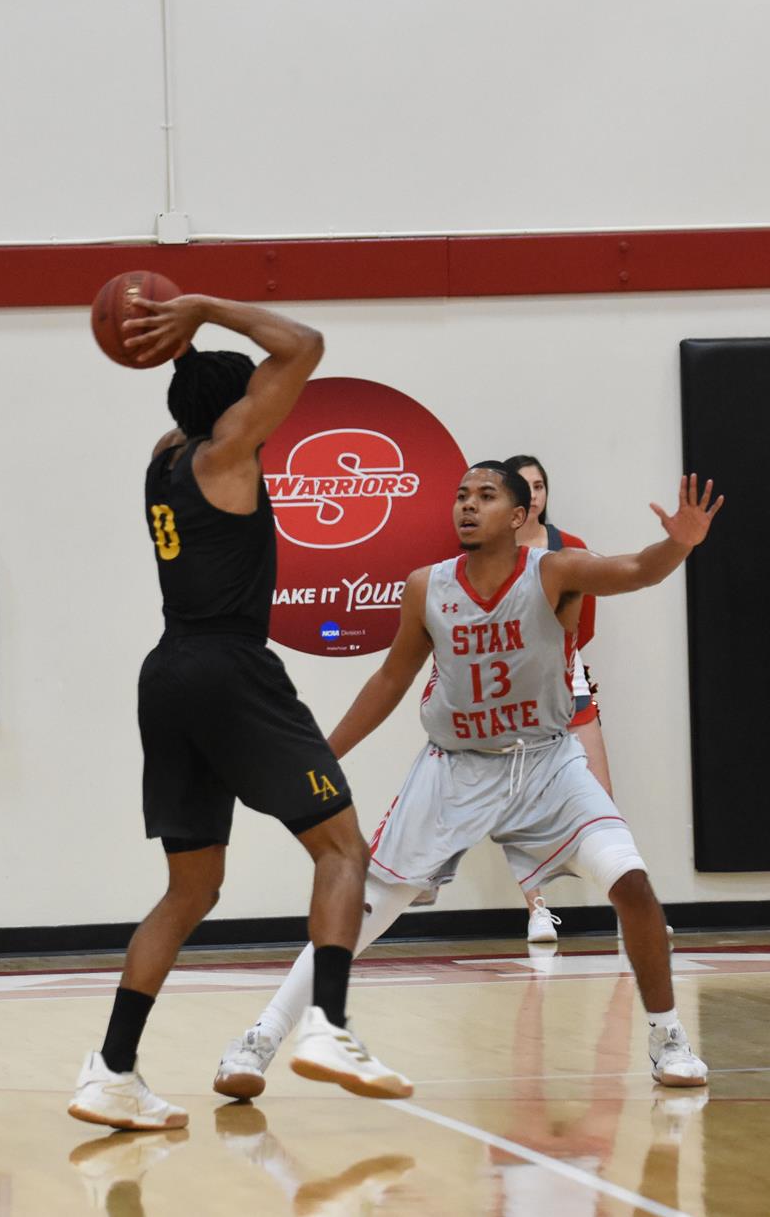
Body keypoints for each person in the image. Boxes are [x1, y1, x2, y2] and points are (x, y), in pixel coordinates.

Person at [211, 464, 723, 1100]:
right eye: (461, 496)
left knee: (633, 882)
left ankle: (667, 1034)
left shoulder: (554, 570)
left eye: (485, 496)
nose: (467, 506)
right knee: (363, 911)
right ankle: (258, 1040)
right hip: (454, 768)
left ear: (517, 515)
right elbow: (390, 680)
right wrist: (323, 753)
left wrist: (681, 542)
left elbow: (638, 570)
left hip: (546, 762)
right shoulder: (427, 587)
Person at [67, 294, 407, 1133]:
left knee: (191, 888)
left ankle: (110, 1069)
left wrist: (178, 352)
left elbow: (233, 389)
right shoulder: (226, 456)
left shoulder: (164, 459)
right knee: (341, 848)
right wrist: (204, 308)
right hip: (228, 667)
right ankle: (327, 1025)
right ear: (236, 411)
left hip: (167, 673)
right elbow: (306, 344)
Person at [504, 453, 620, 944]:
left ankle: (627, 911)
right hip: (510, 696)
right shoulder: (488, 551)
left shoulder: (570, 549)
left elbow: (584, 625)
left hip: (567, 685)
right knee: (522, 804)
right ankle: (537, 911)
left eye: (540, 485)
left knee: (601, 798)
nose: (533, 494)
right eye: (523, 486)